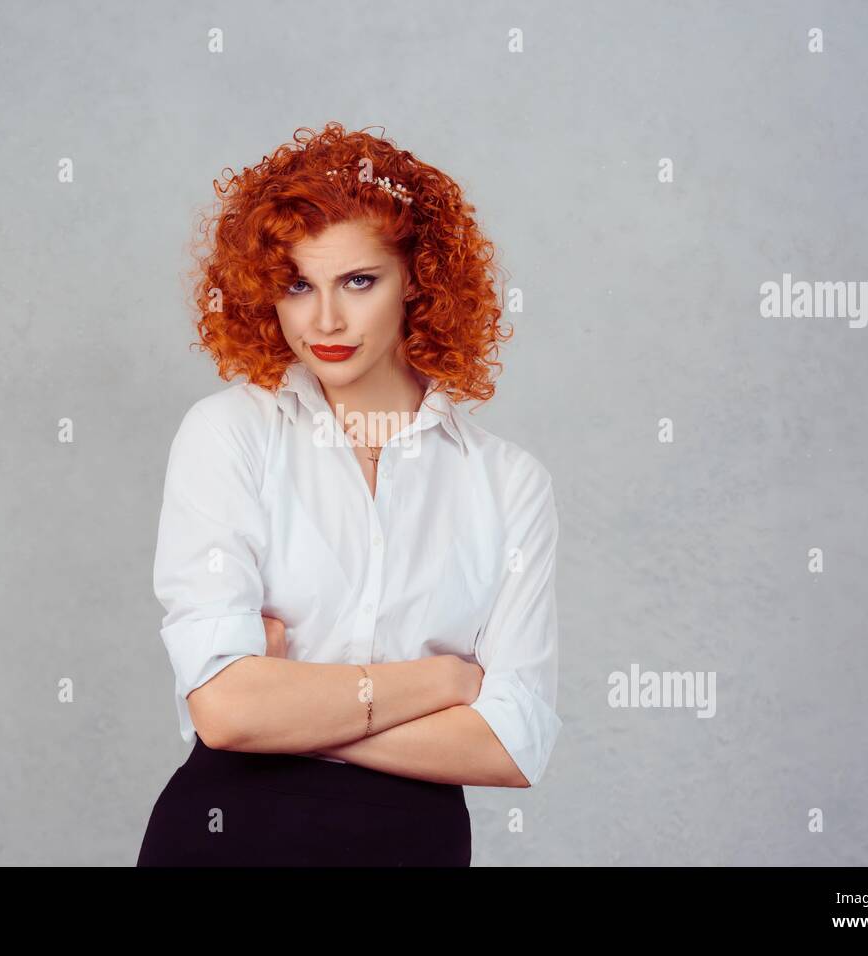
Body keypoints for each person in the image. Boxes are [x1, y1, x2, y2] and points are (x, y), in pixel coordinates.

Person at [137, 122, 562, 866]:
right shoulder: (227, 434)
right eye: (298, 285)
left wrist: (289, 697)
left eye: (358, 282)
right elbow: (228, 713)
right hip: (226, 836)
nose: (325, 321)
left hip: (411, 846)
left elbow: (512, 744)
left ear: (419, 282)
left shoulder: (507, 483)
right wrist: (445, 681)